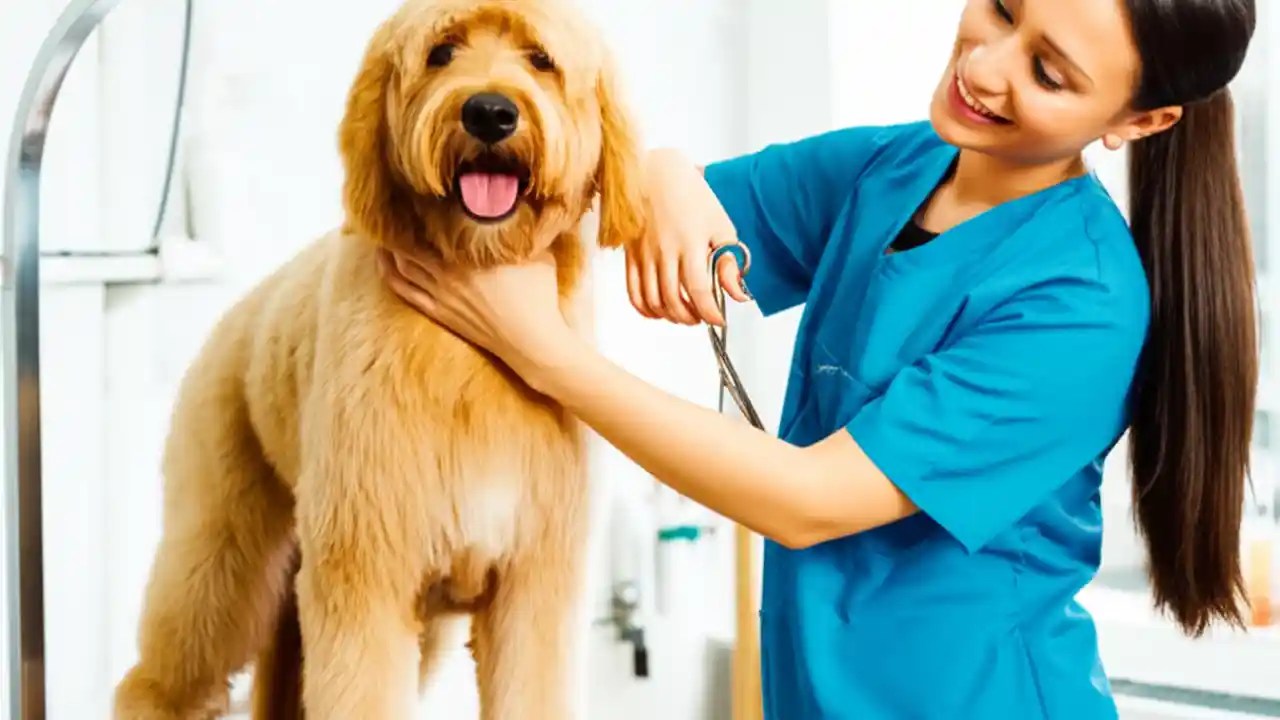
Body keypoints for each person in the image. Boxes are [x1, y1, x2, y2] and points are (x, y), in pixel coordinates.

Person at [377, 0, 1260, 716]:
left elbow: (810, 500)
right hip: (813, 692)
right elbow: (628, 206)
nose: (987, 65)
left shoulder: (1081, 302)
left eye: (1048, 72)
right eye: (1001, 8)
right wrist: (661, 168)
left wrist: (545, 354)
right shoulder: (891, 166)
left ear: (1140, 119)